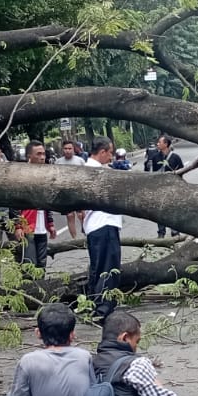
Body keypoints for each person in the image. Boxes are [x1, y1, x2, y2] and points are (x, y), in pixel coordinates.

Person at [83, 137, 123, 320]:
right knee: (108, 267)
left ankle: (95, 303)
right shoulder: (97, 173)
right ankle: (103, 308)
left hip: (96, 225)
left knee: (98, 267)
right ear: (102, 152)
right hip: (103, 222)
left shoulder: (88, 169)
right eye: (110, 152)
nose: (111, 156)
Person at [15, 141, 55, 269]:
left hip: (41, 226)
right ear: (29, 156)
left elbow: (47, 201)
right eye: (38, 154)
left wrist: (51, 224)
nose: (42, 157)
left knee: (42, 264)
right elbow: (14, 203)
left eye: (43, 154)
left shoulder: (45, 174)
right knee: (29, 264)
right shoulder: (20, 176)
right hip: (27, 226)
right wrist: (18, 226)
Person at [144, 135, 184, 236]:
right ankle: (161, 232)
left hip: (172, 189)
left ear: (166, 144)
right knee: (159, 211)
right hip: (159, 188)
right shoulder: (154, 157)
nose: (157, 144)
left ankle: (175, 231)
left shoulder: (175, 157)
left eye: (159, 142)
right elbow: (148, 173)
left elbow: (182, 171)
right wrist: (147, 164)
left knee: (173, 210)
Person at [53, 139, 86, 236]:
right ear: (62, 149)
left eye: (70, 148)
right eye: (65, 148)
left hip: (78, 192)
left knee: (81, 215)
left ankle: (86, 236)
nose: (67, 150)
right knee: (70, 216)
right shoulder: (58, 162)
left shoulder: (80, 161)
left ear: (73, 149)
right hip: (65, 194)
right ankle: (74, 239)